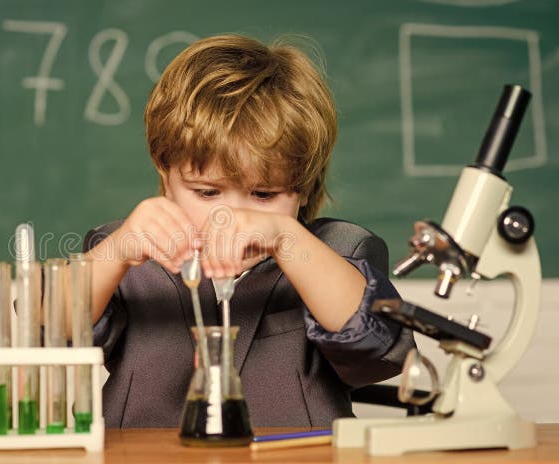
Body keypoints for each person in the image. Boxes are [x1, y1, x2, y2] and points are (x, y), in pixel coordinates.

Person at [82, 34, 414, 428]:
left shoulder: (340, 250)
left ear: (304, 187)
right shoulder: (123, 250)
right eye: (206, 192)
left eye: (263, 194)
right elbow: (47, 332)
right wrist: (117, 252)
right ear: (165, 174)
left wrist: (286, 238)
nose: (231, 217)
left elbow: (381, 351)